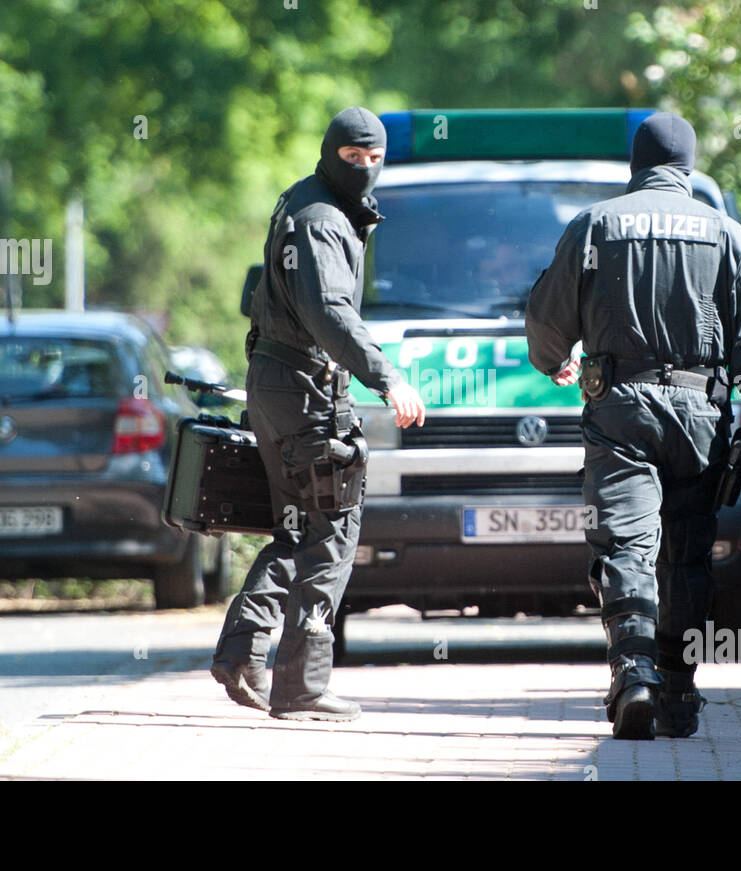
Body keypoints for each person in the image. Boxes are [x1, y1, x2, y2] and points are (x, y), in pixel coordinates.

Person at [525, 112, 741, 740]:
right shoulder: (728, 235)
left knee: (626, 546)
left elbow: (546, 321)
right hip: (701, 414)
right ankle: (679, 693)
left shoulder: (595, 225)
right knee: (687, 554)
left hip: (620, 407)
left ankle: (635, 675)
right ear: (689, 167)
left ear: (635, 165)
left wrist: (553, 361)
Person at [211, 107, 426, 721]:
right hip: (307, 390)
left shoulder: (301, 201)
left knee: (298, 527)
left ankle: (242, 651)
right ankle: (303, 687)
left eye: (373, 159)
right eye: (352, 157)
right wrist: (387, 377)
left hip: (275, 382)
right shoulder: (323, 219)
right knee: (333, 531)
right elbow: (330, 312)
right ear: (330, 152)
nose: (363, 168)